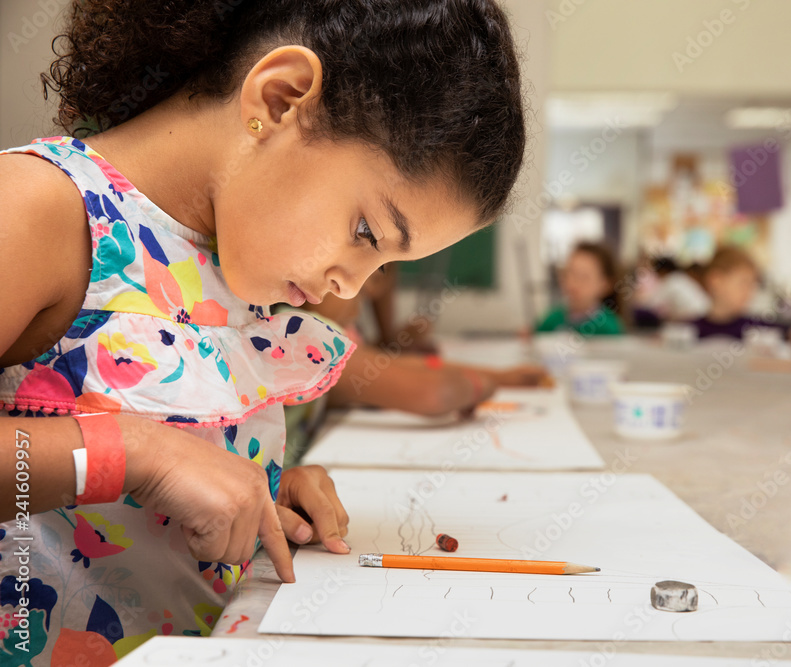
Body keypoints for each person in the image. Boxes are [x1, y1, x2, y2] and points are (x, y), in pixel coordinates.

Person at [0, 1, 526, 662]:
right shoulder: (35, 208)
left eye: (384, 263)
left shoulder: (235, 262)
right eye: (367, 233)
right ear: (280, 99)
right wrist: (136, 453)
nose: (353, 285)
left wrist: (259, 490)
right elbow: (125, 448)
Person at [304, 290, 551, 418]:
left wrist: (501, 376)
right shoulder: (309, 342)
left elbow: (406, 364)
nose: (362, 293)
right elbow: (436, 392)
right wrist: (485, 384)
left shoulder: (343, 331)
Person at [691, 246, 787, 340]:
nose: (750, 291)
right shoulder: (688, 331)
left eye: (752, 285)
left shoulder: (758, 329)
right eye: (743, 282)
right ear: (716, 281)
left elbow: (789, 332)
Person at [536, 242, 626, 336]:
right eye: (568, 274)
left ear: (605, 285)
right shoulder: (552, 319)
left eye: (583, 277)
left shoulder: (609, 327)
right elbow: (536, 340)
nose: (573, 283)